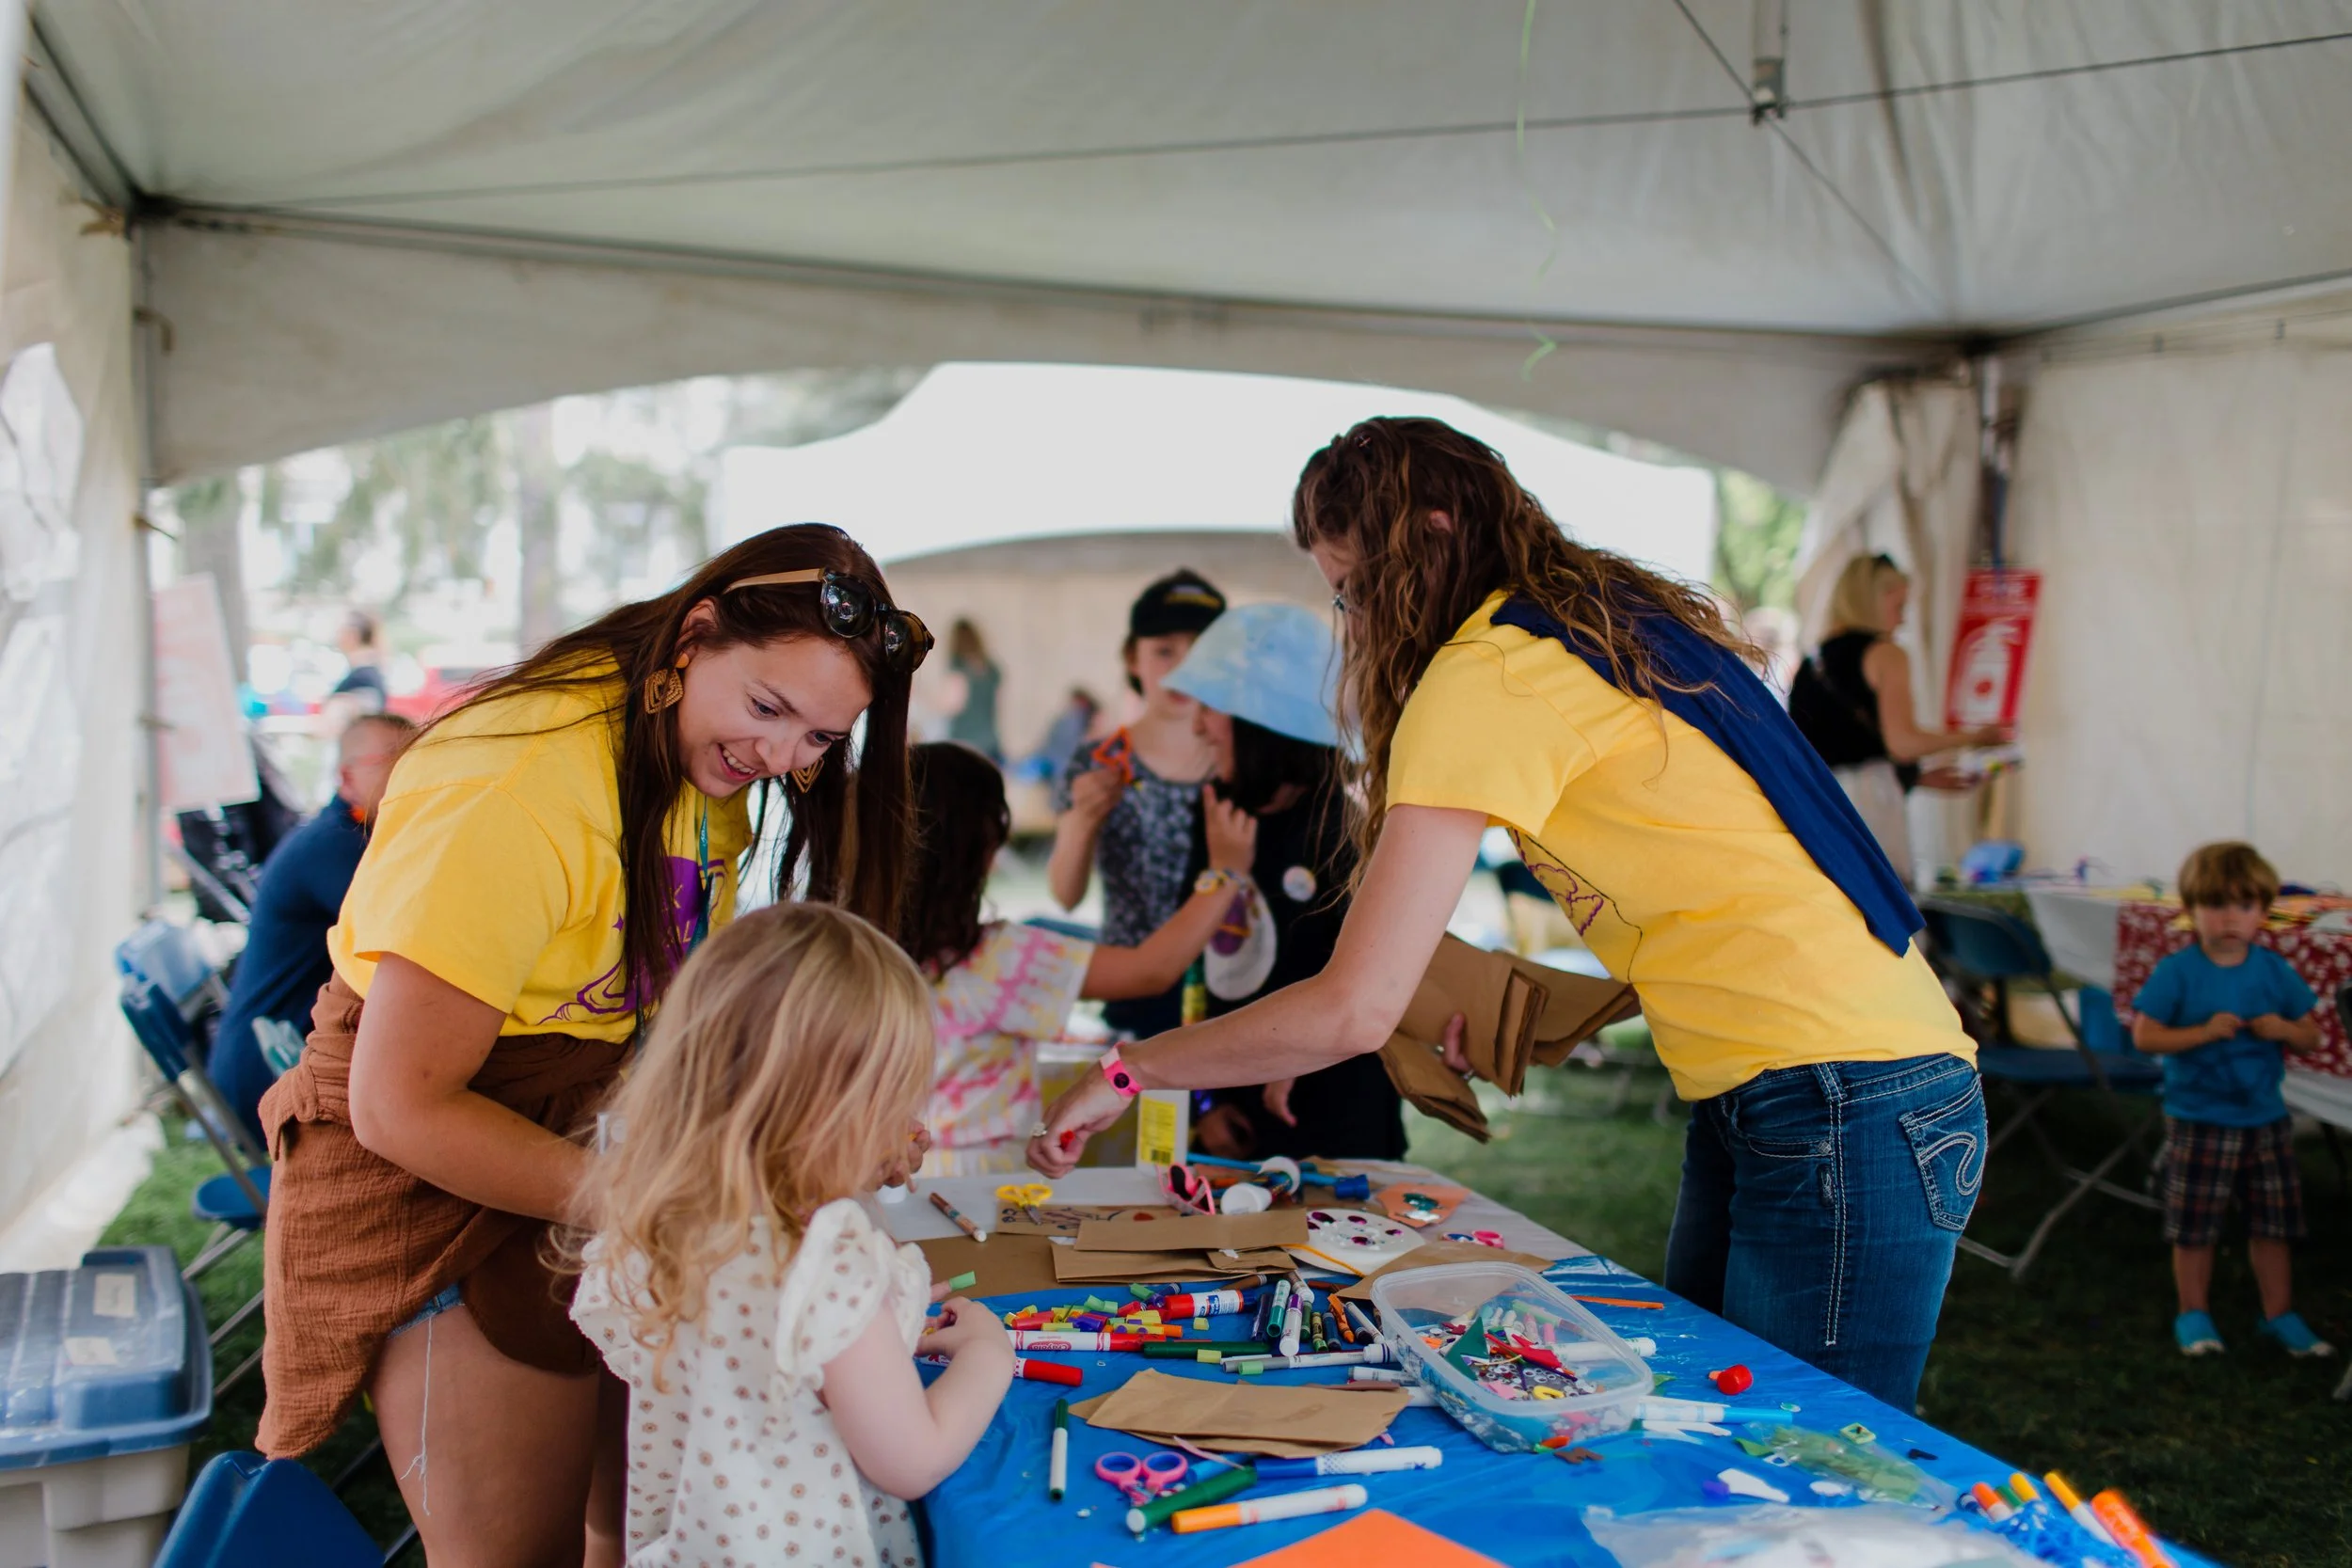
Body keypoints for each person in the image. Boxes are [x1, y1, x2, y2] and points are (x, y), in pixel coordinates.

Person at [1034, 419, 1982, 1412]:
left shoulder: (1487, 668)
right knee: (1724, 1422)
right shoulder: (1582, 628)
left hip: (1837, 1088)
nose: (1353, 627)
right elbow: (1714, 872)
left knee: (1808, 1450)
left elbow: (1352, 1006)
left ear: (1430, 537)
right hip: (1806, 1079)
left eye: (1353, 591)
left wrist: (1130, 1068)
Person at [254, 524, 929, 1568]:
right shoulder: (521, 783)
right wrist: (674, 1196)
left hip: (579, 1153)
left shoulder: (710, 761)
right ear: (694, 633)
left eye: (817, 741)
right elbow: (404, 1105)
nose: (780, 759)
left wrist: (811, 1125)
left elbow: (655, 1009)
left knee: (635, 1519)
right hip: (439, 1175)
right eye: (767, 709)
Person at [569, 902, 1013, 1566]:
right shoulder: (826, 1262)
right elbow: (913, 1459)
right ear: (831, 1113)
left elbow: (774, 1364)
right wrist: (988, 1352)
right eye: (893, 1097)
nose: (907, 1119)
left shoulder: (661, 1224)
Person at [898, 740, 1256, 1174]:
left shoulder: (861, 944)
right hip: (981, 1182)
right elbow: (1151, 971)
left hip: (893, 1173)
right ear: (986, 846)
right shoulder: (998, 957)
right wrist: (1226, 872)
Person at [1163, 603, 1403, 1163]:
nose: (1197, 724)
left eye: (1211, 706)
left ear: (1262, 719)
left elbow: (1367, 995)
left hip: (1337, 1127)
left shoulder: (1348, 834)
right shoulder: (1217, 817)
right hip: (1230, 1119)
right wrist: (1203, 1101)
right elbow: (1194, 971)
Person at [2127, 842, 2332, 1360]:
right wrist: (2200, 1033)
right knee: (2194, 1223)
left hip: (2264, 1119)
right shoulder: (2178, 972)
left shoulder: (2272, 970)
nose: (2229, 919)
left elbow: (2312, 1036)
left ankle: (2279, 1314)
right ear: (2192, 910)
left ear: (2263, 912)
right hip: (2198, 1119)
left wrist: (2284, 1028)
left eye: (2244, 906)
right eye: (2216, 905)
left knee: (2275, 1223)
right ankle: (2192, 1313)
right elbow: (2145, 1038)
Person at [211, 714, 416, 1144]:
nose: (412, 774)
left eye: (419, 758)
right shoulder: (335, 846)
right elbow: (412, 937)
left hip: (286, 1054)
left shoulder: (353, 833)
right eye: (394, 761)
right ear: (347, 775)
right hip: (268, 1073)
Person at [1045, 569, 1227, 1038]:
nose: (1183, 667)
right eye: (1164, 650)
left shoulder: (1244, 761)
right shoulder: (1100, 761)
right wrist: (1082, 820)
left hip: (1234, 994)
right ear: (1133, 657)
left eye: (1202, 650)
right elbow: (1066, 896)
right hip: (1133, 997)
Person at [1788, 553, 2006, 882]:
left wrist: (1913, 777)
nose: (1902, 621)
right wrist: (1975, 736)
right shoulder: (1886, 655)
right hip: (1872, 809)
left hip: (1814, 806)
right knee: (1883, 906)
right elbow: (1902, 743)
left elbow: (1835, 749)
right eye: (1899, 607)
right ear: (1874, 601)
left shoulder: (1810, 663)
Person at [321, 608, 389, 735]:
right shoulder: (367, 673)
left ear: (353, 635)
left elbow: (332, 725)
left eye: (340, 630)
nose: (336, 635)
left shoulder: (363, 678)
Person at [945, 617, 1004, 763]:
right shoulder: (991, 669)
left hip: (964, 744)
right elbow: (999, 706)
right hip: (990, 742)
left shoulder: (959, 668)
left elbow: (953, 705)